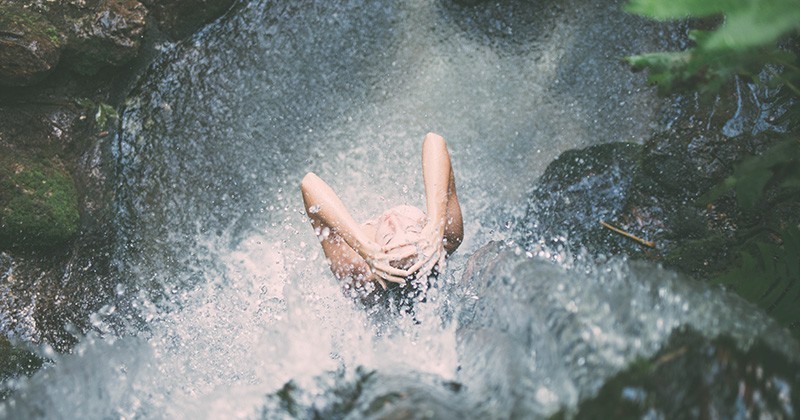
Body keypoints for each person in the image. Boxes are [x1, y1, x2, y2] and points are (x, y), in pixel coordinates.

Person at [300, 132, 463, 292]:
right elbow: (434, 141)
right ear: (429, 237)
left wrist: (363, 248)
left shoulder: (357, 271)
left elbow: (309, 183)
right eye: (410, 229)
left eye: (388, 236)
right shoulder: (445, 239)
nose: (394, 220)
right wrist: (436, 223)